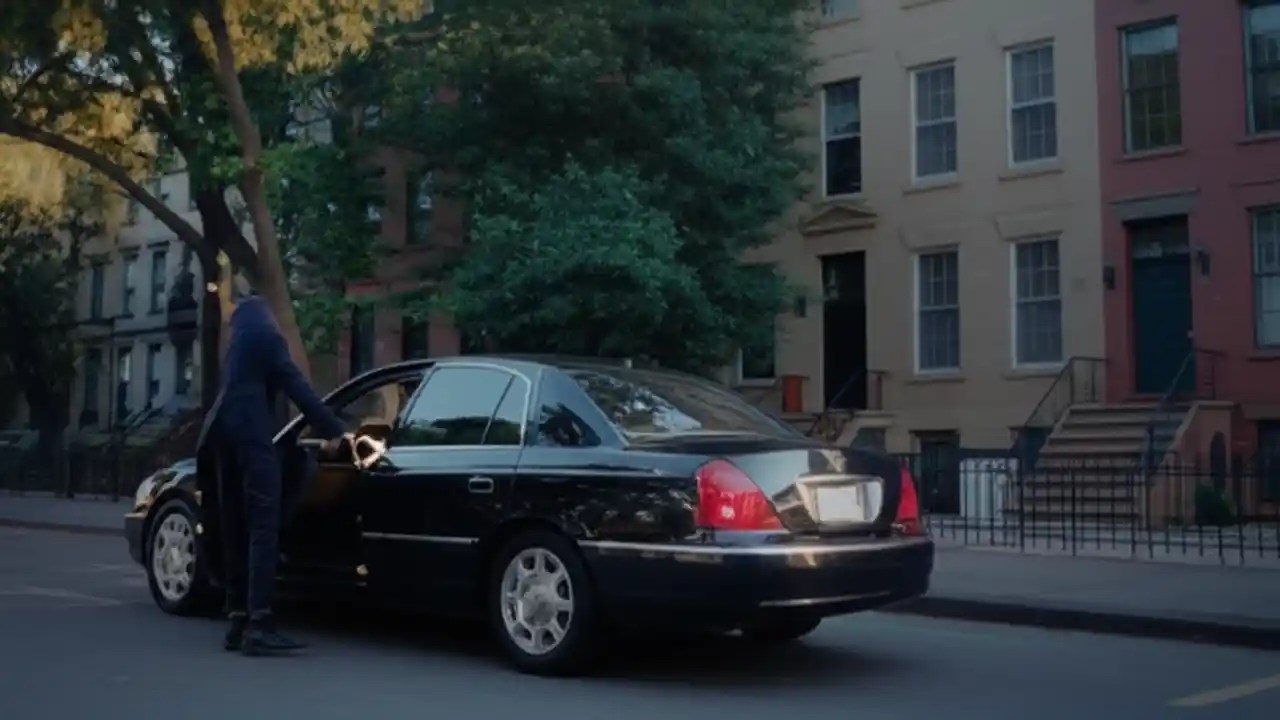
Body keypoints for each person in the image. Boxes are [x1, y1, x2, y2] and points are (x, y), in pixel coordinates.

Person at [196, 280, 347, 656]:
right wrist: (337, 432)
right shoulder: (268, 338)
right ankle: (260, 624)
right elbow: (298, 389)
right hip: (250, 434)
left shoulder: (238, 344)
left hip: (219, 435)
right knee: (264, 524)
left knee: (235, 526)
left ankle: (237, 618)